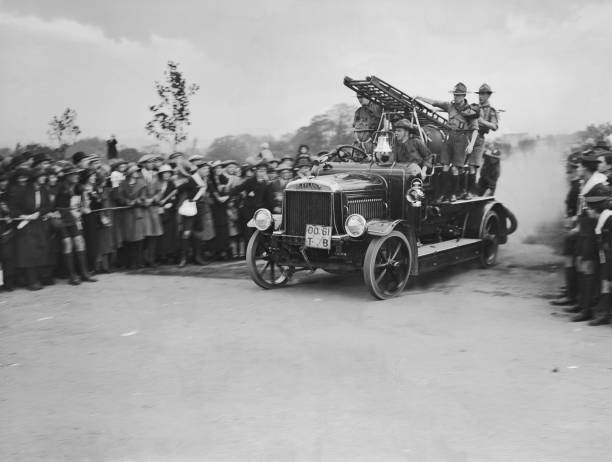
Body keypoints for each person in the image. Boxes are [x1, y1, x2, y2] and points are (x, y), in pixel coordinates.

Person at [417, 83, 480, 202]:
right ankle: (443, 194)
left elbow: (475, 129)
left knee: (455, 169)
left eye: (458, 95)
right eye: (455, 94)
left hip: (461, 139)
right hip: (449, 137)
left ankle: (453, 194)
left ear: (463, 95)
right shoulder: (449, 106)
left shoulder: (471, 111)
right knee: (445, 167)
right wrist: (420, 97)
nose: (456, 97)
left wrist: (471, 145)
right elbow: (435, 102)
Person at [565, 154, 608, 322]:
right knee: (581, 266)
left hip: (591, 232)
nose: (579, 169)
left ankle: (587, 309)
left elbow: (599, 211)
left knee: (588, 268)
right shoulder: (588, 183)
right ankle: (581, 303)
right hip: (584, 231)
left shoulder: (598, 186)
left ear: (587, 168)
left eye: (581, 167)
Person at [8, 167, 52, 290]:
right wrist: (23, 216)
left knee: (40, 249)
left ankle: (39, 278)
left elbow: (48, 206)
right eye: (42, 175)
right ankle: (31, 281)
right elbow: (13, 209)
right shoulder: (23, 190)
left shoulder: (43, 189)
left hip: (38, 224)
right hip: (25, 225)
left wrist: (39, 213)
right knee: (29, 252)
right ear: (35, 178)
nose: (44, 178)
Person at [55, 166, 98, 284]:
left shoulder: (78, 187)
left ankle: (84, 273)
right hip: (62, 219)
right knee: (67, 243)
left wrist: (86, 196)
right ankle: (72, 275)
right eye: (73, 174)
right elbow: (54, 205)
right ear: (66, 176)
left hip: (73, 218)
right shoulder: (60, 187)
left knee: (79, 242)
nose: (76, 176)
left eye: (76, 174)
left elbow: (82, 200)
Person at [586, 189, 612, 325]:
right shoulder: (604, 218)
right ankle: (605, 314)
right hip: (607, 256)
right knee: (606, 283)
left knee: (607, 283)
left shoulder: (608, 219)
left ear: (595, 209)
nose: (588, 212)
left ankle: (604, 315)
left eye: (589, 209)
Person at [470, 84, 499, 197]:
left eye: (483, 94)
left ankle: (471, 192)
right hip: (467, 136)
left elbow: (495, 126)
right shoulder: (474, 107)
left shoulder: (491, 111)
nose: (480, 96)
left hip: (479, 138)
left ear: (488, 95)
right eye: (479, 94)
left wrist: (481, 121)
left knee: (474, 165)